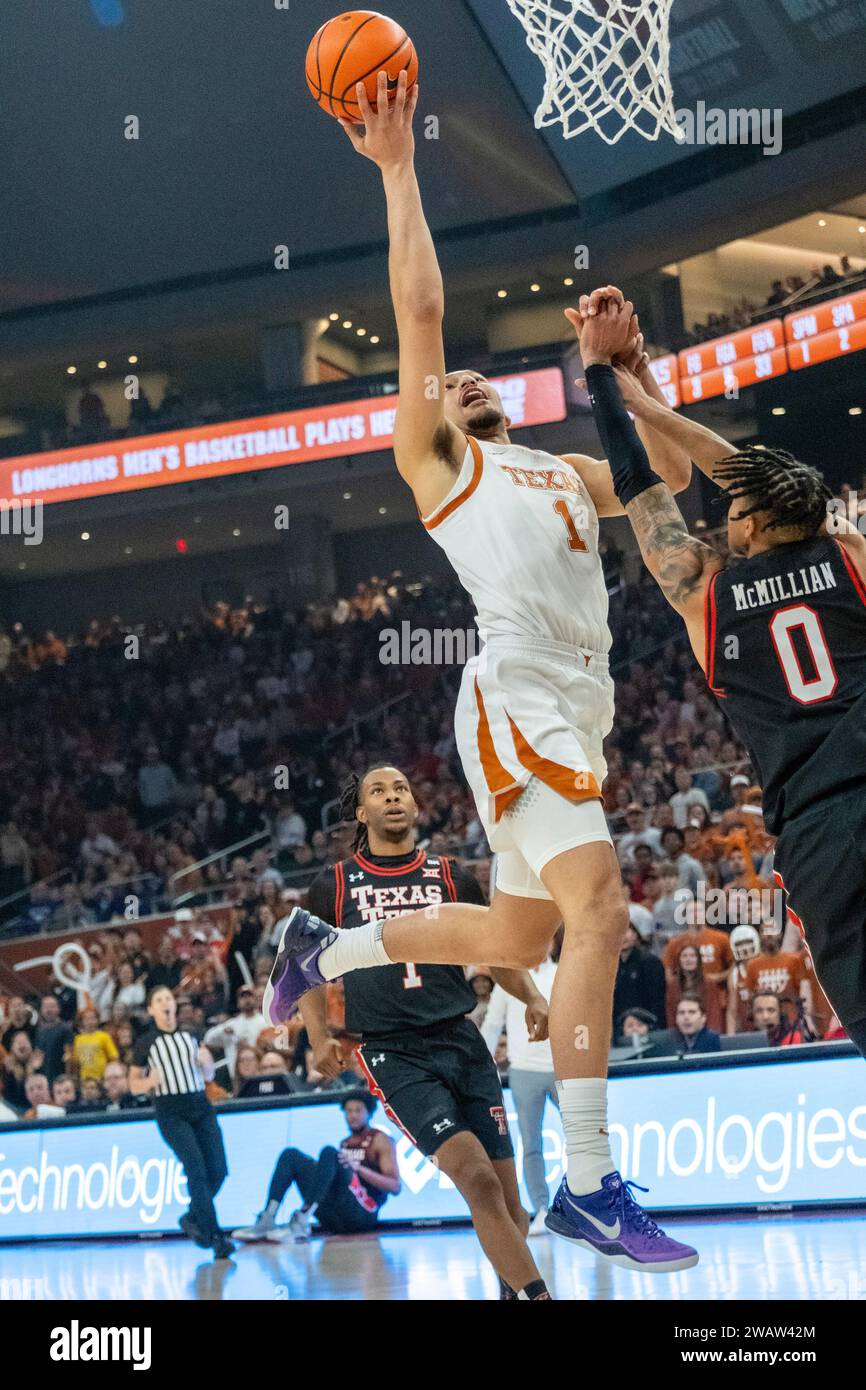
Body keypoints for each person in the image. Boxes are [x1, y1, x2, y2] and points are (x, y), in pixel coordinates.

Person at [264, 78, 698, 1275]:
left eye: (472, 381)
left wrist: (627, 370)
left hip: (581, 703)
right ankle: (591, 1184)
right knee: (596, 914)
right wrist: (397, 167)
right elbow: (417, 314)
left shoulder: (561, 474)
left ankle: (328, 945)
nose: (461, 384)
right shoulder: (440, 466)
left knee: (511, 925)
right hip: (514, 689)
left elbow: (667, 480)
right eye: (448, 384)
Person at [578, 295, 866, 1059]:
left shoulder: (705, 592)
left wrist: (608, 384)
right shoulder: (852, 557)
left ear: (751, 521)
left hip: (817, 834)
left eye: (733, 504)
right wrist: (641, 390)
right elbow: (755, 474)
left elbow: (641, 490)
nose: (723, 509)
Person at [286, 765, 556, 1300]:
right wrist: (318, 1038)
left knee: (509, 1204)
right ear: (361, 813)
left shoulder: (453, 875)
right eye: (379, 792)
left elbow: (493, 950)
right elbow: (301, 966)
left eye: (402, 788)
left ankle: (513, 1291)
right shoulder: (333, 886)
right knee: (476, 1178)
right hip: (394, 1053)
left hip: (461, 1041)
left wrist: (531, 995)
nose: (393, 798)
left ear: (415, 804)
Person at [129, 986, 233, 1259]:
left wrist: (206, 1063)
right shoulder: (146, 1042)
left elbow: (208, 1074)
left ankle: (192, 1217)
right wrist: (148, 1082)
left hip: (200, 1105)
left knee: (219, 1170)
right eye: (159, 1000)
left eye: (168, 999)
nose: (165, 1003)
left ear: (174, 1005)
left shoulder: (192, 1034)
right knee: (196, 1169)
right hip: (170, 1111)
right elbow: (133, 1083)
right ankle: (215, 1236)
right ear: (151, 1010)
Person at [233, 1093, 400, 1243]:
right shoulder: (346, 1142)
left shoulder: (380, 1139)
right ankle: (268, 1218)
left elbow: (395, 1187)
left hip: (363, 1215)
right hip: (335, 1218)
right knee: (291, 1155)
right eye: (349, 1111)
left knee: (329, 1152)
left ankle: (302, 1219)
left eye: (358, 1110)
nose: (353, 1116)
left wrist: (358, 1168)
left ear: (369, 1112)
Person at [481, 950, 558, 1236]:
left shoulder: (561, 973)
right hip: (523, 1070)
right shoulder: (507, 982)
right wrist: (483, 1064)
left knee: (580, 1139)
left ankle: (585, 1206)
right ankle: (542, 1209)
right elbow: (491, 1024)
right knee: (531, 1143)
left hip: (563, 1066)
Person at [613, 921, 666, 1028]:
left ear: (635, 935)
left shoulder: (650, 962)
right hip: (619, 1026)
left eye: (626, 931)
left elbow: (658, 1000)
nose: (622, 937)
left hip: (647, 1024)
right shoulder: (610, 965)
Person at [726, 925, 762, 1035]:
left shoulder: (765, 965)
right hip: (747, 1031)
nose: (745, 948)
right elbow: (732, 1011)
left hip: (770, 1027)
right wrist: (730, 1038)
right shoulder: (735, 974)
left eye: (747, 942)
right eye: (740, 944)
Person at [33, 995, 74, 1083]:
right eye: (45, 1007)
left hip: (61, 1075)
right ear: (41, 1010)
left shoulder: (65, 1028)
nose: (48, 1010)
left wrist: (68, 1076)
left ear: (58, 1009)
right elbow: (38, 1054)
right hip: (44, 1075)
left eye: (52, 1006)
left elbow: (69, 1054)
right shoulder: (39, 1031)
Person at [71, 1007, 118, 1083]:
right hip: (84, 1079)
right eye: (86, 1019)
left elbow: (114, 1057)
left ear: (97, 1020)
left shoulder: (104, 1036)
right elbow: (75, 1062)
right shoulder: (77, 1039)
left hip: (102, 1078)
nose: (90, 1021)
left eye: (93, 1018)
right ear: (81, 1021)